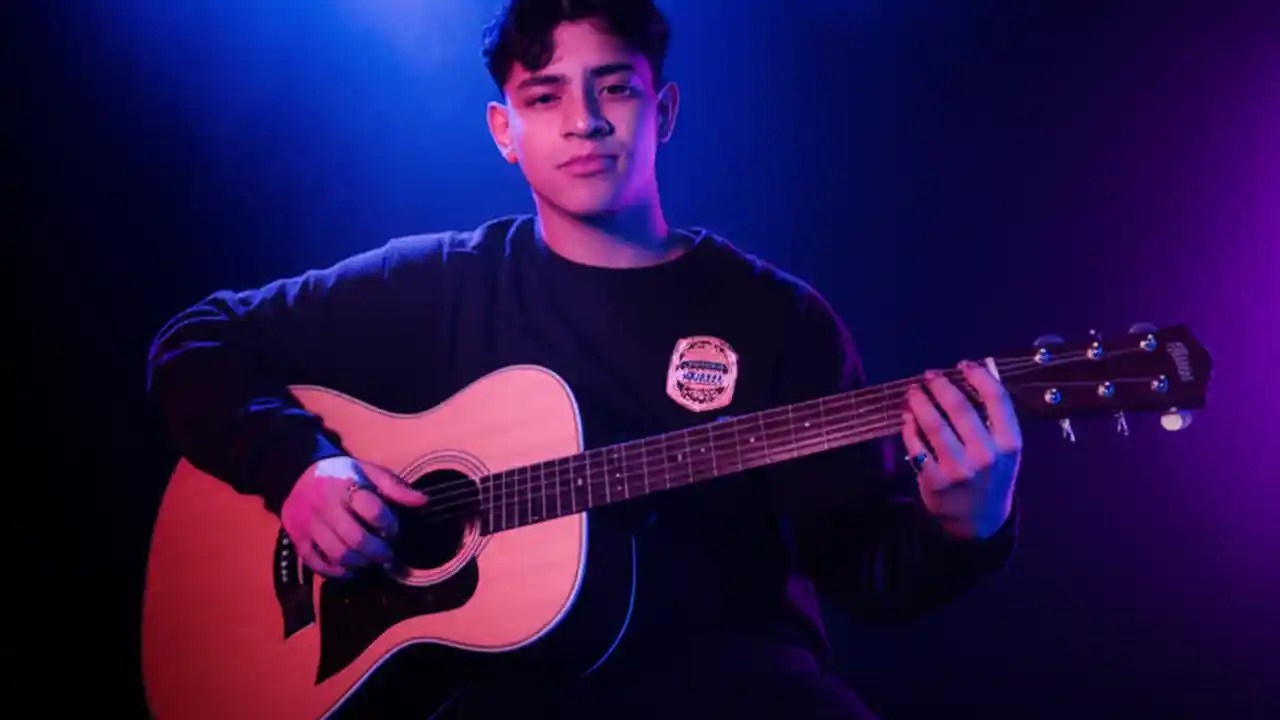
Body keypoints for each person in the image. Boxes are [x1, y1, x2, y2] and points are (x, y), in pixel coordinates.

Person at [146, 1, 1022, 717]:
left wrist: (963, 526)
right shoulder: (442, 281)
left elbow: (866, 574)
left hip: (734, 689)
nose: (585, 122)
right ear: (503, 128)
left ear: (664, 110)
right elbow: (195, 344)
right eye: (544, 96)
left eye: (615, 89)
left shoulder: (781, 319)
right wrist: (304, 468)